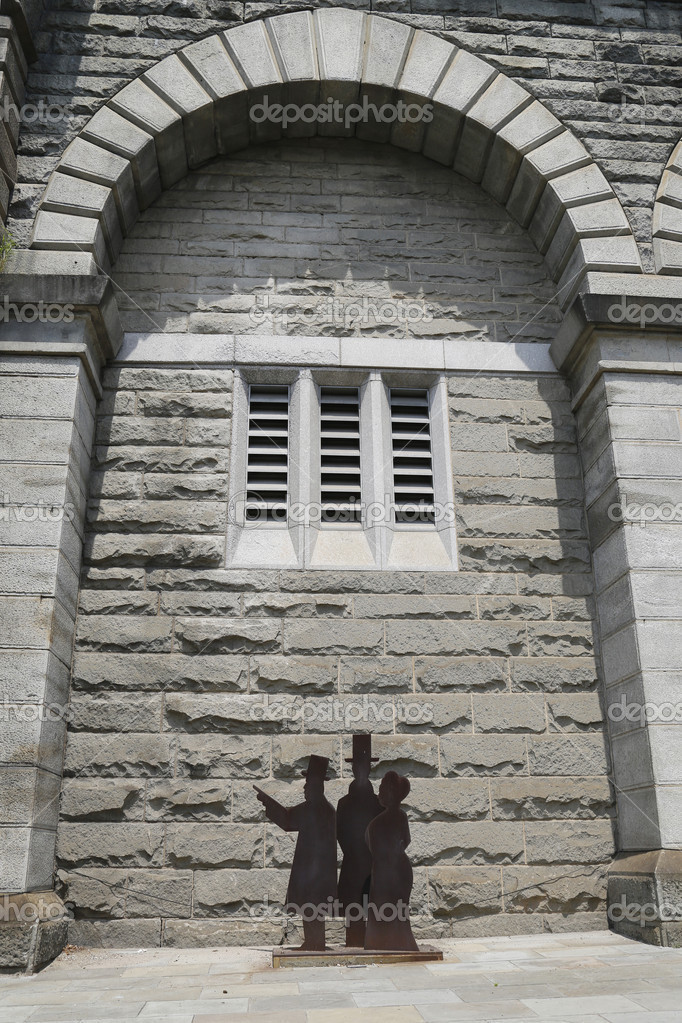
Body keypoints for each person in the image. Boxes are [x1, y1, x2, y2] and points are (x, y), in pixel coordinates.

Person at [254, 754, 337, 951]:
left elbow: (288, 819)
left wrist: (267, 802)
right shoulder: (326, 809)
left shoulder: (316, 809)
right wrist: (268, 802)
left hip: (313, 869)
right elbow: (289, 818)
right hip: (318, 869)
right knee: (312, 906)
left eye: (307, 785)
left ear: (316, 786)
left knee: (312, 905)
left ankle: (315, 942)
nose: (305, 789)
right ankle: (314, 942)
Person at [364, 770, 418, 951]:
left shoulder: (378, 823)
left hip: (387, 869)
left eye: (382, 789)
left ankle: (383, 942)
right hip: (396, 867)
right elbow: (406, 840)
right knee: (395, 909)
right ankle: (397, 942)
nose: (379, 792)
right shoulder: (398, 817)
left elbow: (373, 847)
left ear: (391, 793)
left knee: (385, 908)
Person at [336, 734, 382, 947]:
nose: (360, 770)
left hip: (371, 862)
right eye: (358, 766)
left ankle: (373, 941)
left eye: (364, 765)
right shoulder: (344, 803)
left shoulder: (378, 802)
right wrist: (354, 852)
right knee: (353, 906)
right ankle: (354, 940)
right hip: (353, 861)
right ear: (353, 768)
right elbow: (340, 832)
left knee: (373, 906)